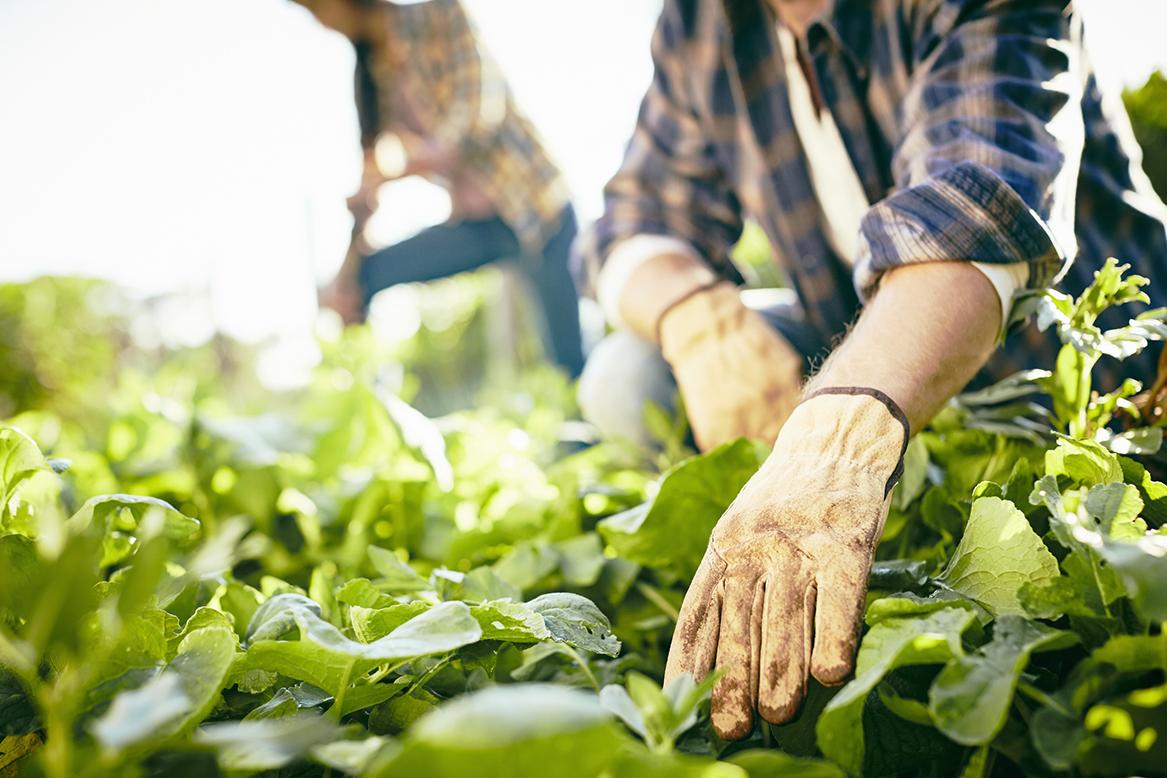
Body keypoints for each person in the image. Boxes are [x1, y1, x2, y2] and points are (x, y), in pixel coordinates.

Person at [574, 0, 1167, 740]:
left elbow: (978, 209)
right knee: (627, 373)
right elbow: (631, 224)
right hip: (876, 352)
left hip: (1080, 377)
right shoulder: (704, 22)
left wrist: (835, 436)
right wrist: (699, 322)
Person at [296, 0, 585, 376]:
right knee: (366, 277)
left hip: (535, 208)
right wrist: (345, 275)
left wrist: (400, 168)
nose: (320, 22)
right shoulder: (371, 76)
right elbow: (369, 189)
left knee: (567, 362)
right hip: (478, 224)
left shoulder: (440, 14)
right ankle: (371, 407)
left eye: (317, 8)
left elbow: (479, 111)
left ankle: (585, 432)